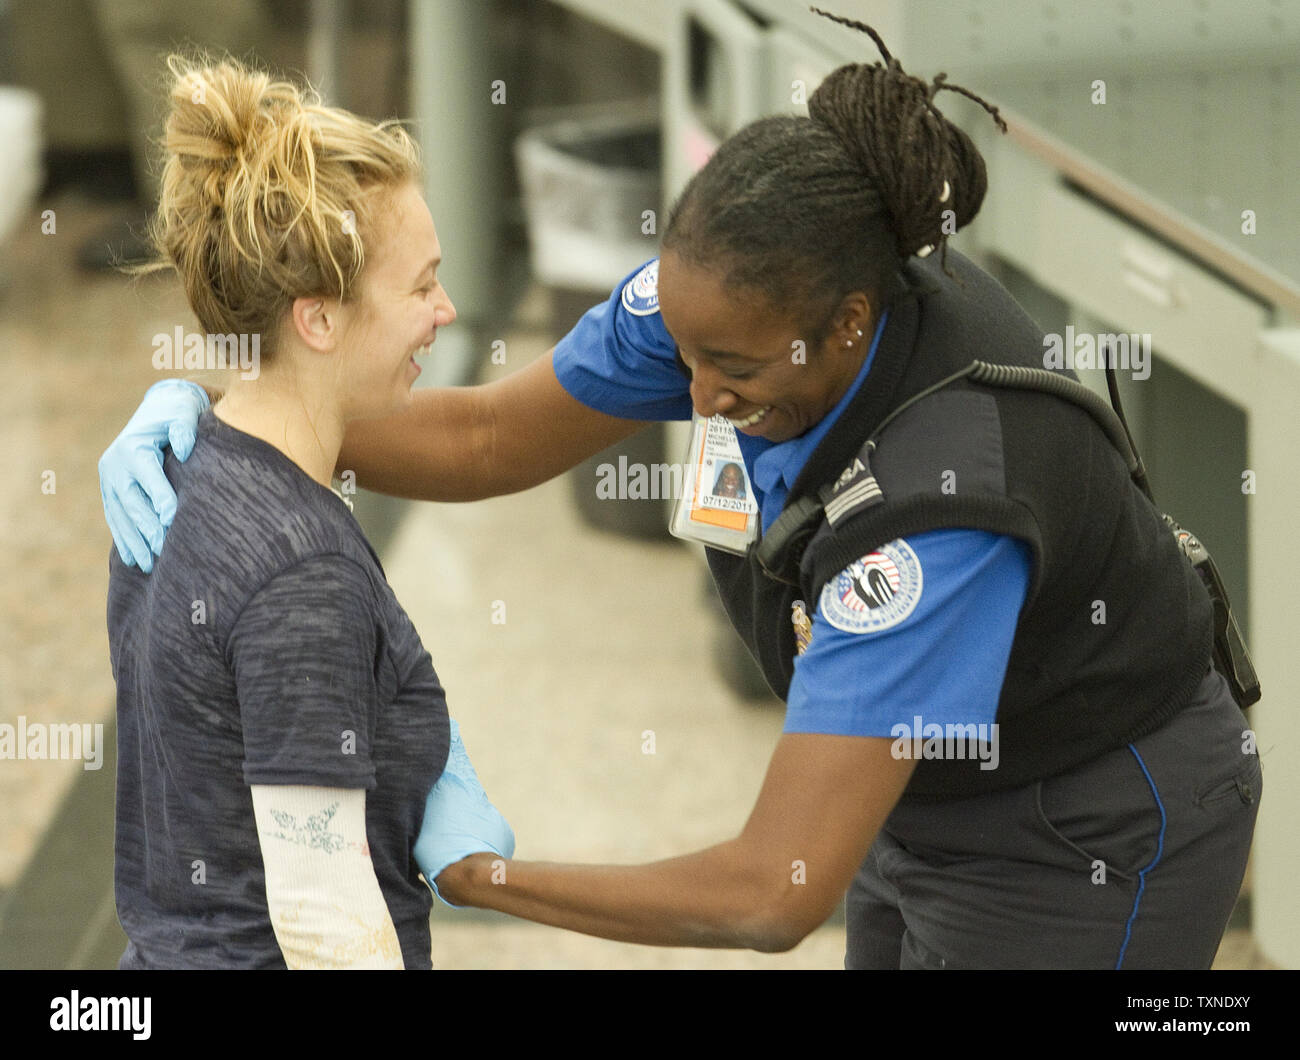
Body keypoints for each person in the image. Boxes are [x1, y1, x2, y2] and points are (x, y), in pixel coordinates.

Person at [101, 15, 1260, 967]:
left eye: (738, 375)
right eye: (686, 359)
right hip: (914, 795)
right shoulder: (718, 305)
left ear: (848, 326)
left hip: (1087, 827)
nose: (696, 396)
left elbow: (772, 891)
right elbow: (490, 438)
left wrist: (484, 878)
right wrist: (232, 417)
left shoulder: (938, 516)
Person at [103, 53, 511, 969]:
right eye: (420, 286)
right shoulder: (303, 573)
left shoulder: (180, 470)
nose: (446, 310)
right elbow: (327, 925)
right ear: (318, 318)